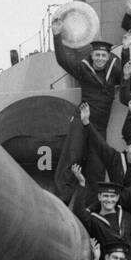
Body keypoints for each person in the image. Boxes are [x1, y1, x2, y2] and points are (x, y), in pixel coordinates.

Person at [51, 21, 124, 199]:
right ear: (92, 56)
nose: (99, 58)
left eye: (103, 55)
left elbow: (127, 78)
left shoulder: (114, 72)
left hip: (99, 126)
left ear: (108, 57)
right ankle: (62, 198)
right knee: (72, 157)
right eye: (97, 55)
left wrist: (127, 49)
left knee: (97, 167)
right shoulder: (83, 69)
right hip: (81, 120)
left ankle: (92, 206)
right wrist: (56, 35)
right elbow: (63, 60)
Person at [69, 174, 131, 260]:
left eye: (112, 196)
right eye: (105, 196)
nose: (109, 200)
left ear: (117, 198)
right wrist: (82, 184)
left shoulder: (127, 217)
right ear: (99, 197)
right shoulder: (93, 220)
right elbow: (78, 211)